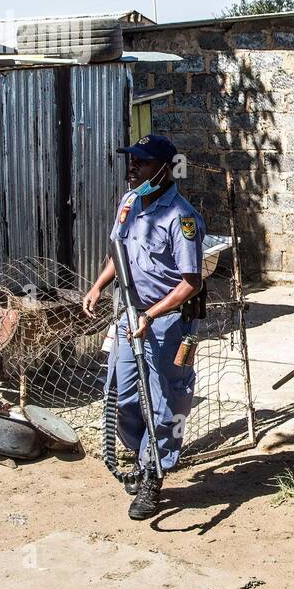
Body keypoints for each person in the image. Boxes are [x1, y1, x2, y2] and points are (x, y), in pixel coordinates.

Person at [82, 134, 205, 521]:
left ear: (165, 169)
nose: (133, 168)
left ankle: (154, 474)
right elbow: (119, 253)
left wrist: (151, 316)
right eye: (131, 161)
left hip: (166, 322)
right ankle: (140, 455)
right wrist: (99, 284)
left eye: (143, 163)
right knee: (122, 395)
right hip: (128, 315)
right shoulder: (130, 202)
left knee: (164, 402)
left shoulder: (181, 217)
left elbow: (191, 282)